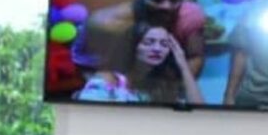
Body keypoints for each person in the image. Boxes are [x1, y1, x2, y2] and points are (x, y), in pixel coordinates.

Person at [86, 0, 207, 77]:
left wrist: (175, 91)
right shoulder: (108, 23)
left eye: (174, 0)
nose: (166, 6)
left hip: (167, 79)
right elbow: (96, 67)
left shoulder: (190, 16)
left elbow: (195, 56)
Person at [74, 22, 205, 106]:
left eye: (164, 44)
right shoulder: (109, 78)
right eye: (149, 42)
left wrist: (182, 63)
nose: (157, 49)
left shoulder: (161, 84)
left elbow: (200, 114)